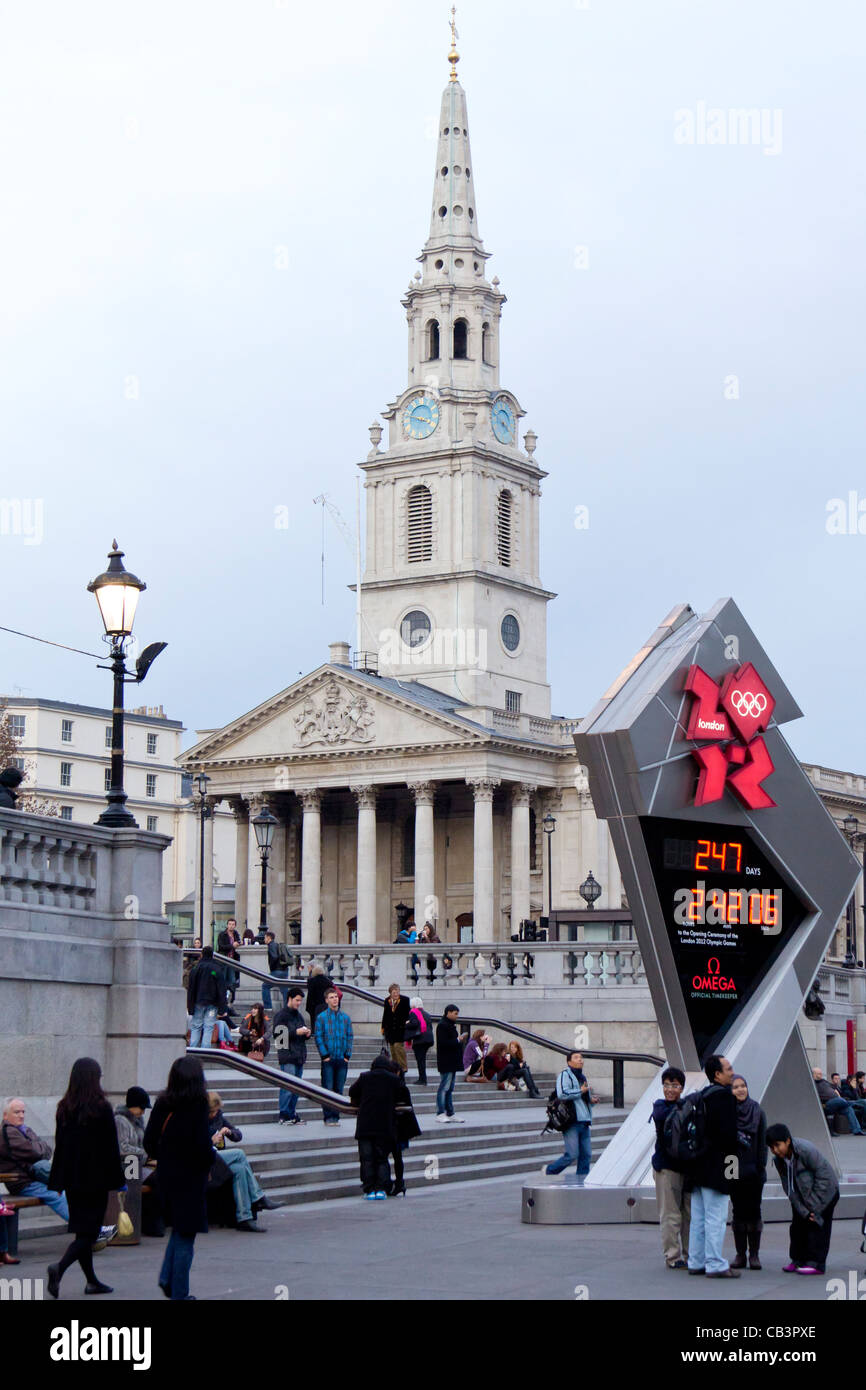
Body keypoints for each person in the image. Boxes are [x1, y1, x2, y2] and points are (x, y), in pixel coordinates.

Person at [46, 1057, 124, 1299]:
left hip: (73, 1180)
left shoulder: (64, 1107)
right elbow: (111, 1147)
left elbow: (61, 1147)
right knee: (89, 1234)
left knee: (83, 1231)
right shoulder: (101, 1107)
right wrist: (118, 1180)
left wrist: (57, 1181)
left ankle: (91, 1281)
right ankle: (59, 1267)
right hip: (96, 1179)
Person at [144, 1055, 214, 1300]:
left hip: (166, 1175)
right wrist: (208, 1165)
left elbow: (149, 1141)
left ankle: (167, 1278)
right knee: (186, 1235)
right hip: (190, 1178)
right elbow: (203, 1146)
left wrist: (164, 1155)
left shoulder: (163, 1102)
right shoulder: (198, 1105)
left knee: (179, 1230)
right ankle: (179, 1293)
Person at [686, 1054, 739, 1279]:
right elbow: (729, 1139)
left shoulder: (702, 1096)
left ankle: (696, 1261)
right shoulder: (725, 1098)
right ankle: (716, 1263)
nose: (732, 1071)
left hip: (697, 1166)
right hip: (717, 1166)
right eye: (728, 1069)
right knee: (716, 1217)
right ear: (717, 1074)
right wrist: (733, 1173)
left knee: (698, 1217)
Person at [767, 1123, 840, 1275]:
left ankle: (816, 1263)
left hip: (827, 1193)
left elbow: (824, 1178)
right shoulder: (779, 1160)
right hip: (803, 1195)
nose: (775, 1150)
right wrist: (803, 1210)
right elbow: (789, 1188)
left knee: (818, 1227)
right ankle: (798, 1260)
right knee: (797, 1227)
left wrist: (814, 1209)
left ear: (787, 1141)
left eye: (777, 1145)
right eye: (771, 1147)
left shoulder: (805, 1150)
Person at [206, 1092, 277, 1231]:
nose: (214, 1114)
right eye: (212, 1112)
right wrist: (211, 1140)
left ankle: (244, 1217)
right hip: (206, 1159)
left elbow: (238, 1134)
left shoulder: (218, 1117)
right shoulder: (198, 1120)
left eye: (216, 1111)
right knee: (239, 1154)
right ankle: (258, 1197)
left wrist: (229, 1133)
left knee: (239, 1169)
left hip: (218, 1158)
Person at [348, 1055, 414, 1199]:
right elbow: (403, 1094)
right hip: (384, 1126)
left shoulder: (365, 1077)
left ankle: (369, 1188)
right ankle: (381, 1188)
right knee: (381, 1158)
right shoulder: (393, 1079)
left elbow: (352, 1091)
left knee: (366, 1159)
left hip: (365, 1125)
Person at [0, 1097, 69, 1222]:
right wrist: (36, 1144)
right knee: (56, 1195)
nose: (21, 1116)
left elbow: (48, 1150)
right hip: (22, 1183)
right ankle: (86, 1230)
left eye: (23, 1112)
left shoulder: (23, 1130)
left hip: (33, 1179)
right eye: (17, 1112)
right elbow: (37, 1152)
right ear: (5, 1115)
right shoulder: (9, 1132)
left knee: (66, 1191)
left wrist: (36, 1145)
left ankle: (89, 1229)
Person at [650, 1066, 691, 1269]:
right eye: (666, 1085)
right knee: (671, 1215)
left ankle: (688, 1255)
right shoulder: (661, 1108)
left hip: (685, 1168)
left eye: (674, 1085)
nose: (670, 1089)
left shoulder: (684, 1107)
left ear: (682, 1087)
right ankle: (673, 1257)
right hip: (666, 1168)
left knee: (687, 1215)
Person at [729, 1075, 767, 1270]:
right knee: (738, 1212)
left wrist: (760, 1168)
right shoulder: (728, 1112)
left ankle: (754, 1255)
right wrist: (729, 1172)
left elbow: (762, 1143)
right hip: (734, 1165)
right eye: (735, 1087)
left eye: (743, 1086)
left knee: (754, 1211)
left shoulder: (757, 1110)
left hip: (753, 1167)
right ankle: (740, 1255)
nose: (740, 1090)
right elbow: (726, 1145)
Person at [544, 1050, 596, 1185]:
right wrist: (580, 1091)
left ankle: (582, 1182)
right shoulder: (564, 1075)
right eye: (576, 1057)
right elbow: (562, 1094)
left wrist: (591, 1100)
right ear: (569, 1061)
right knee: (572, 1154)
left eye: (581, 1057)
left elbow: (583, 1100)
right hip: (571, 1121)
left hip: (584, 1120)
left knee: (586, 1155)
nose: (580, 1060)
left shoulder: (582, 1077)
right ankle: (550, 1170)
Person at [315, 987, 353, 1125]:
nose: (334, 999)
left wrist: (347, 1055)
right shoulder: (321, 1017)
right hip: (328, 1059)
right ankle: (328, 1117)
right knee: (328, 1088)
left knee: (339, 1089)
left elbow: (350, 1037)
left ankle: (336, 1116)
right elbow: (318, 1036)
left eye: (336, 997)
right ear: (326, 1000)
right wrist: (324, 1055)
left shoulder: (345, 1018)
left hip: (342, 1058)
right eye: (331, 997)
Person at [273, 987, 311, 1124]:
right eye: (297, 1000)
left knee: (296, 1088)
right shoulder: (281, 1015)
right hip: (288, 1056)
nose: (299, 1003)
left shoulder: (299, 1015)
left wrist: (306, 1033)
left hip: (299, 1054)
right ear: (289, 998)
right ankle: (284, 1113)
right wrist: (296, 1032)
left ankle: (291, 1112)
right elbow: (278, 1037)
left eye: (300, 1001)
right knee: (288, 1087)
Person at [186, 945, 228, 1049]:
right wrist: (223, 1007)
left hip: (198, 1001)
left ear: (202, 955)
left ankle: (193, 1049)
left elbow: (191, 988)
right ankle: (205, 1051)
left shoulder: (196, 968)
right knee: (208, 1026)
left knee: (196, 1026)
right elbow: (221, 989)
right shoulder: (217, 969)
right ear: (212, 955)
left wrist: (190, 1005)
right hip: (213, 1003)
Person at [435, 1005, 465, 1124]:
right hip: (446, 1061)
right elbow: (443, 1043)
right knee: (444, 1087)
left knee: (449, 1088)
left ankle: (450, 1112)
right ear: (448, 1013)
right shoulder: (443, 1025)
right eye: (455, 1013)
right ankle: (440, 1112)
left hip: (451, 1061)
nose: (457, 1016)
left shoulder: (450, 1025)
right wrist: (458, 1040)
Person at [813, 1067, 865, 1134]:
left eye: (820, 1073)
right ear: (813, 1074)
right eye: (818, 1073)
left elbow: (834, 1089)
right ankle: (854, 1103)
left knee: (848, 1109)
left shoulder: (824, 1081)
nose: (820, 1075)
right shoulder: (812, 1083)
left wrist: (837, 1095)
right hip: (827, 1104)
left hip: (838, 1102)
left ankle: (857, 1130)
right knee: (842, 1101)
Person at [381, 982, 410, 1076]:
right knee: (393, 1048)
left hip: (400, 1028)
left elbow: (408, 1013)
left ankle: (403, 1067)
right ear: (390, 993)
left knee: (398, 1047)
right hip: (390, 1029)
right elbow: (385, 1015)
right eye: (394, 992)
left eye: (397, 991)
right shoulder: (387, 1001)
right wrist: (383, 1028)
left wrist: (407, 1023)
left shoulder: (405, 1000)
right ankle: (395, 1067)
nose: (396, 994)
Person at [404, 996, 434, 1084]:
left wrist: (405, 1024)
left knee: (420, 1060)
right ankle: (423, 1078)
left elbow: (414, 1023)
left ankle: (422, 1079)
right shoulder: (426, 1014)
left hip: (420, 1040)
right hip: (428, 1039)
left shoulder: (413, 1012)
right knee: (422, 1059)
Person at [263, 930, 291, 1012]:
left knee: (265, 986)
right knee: (284, 990)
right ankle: (287, 1008)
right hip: (284, 970)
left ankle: (268, 1007)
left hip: (277, 971)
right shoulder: (278, 945)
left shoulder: (271, 945)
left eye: (265, 937)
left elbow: (274, 957)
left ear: (268, 938)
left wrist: (272, 968)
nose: (264, 939)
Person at [306, 964, 335, 1033]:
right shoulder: (328, 981)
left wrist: (310, 972)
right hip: (326, 1004)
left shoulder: (312, 981)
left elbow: (310, 987)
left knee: (315, 1021)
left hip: (315, 1005)